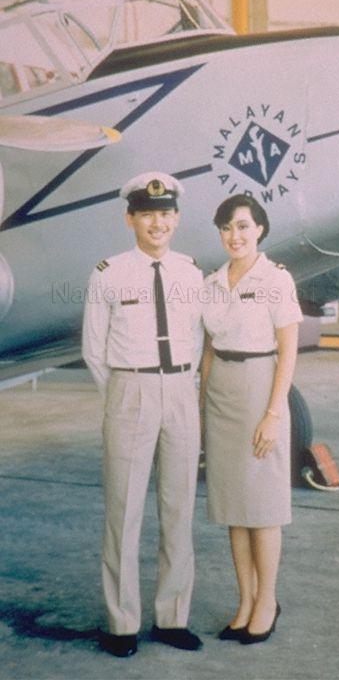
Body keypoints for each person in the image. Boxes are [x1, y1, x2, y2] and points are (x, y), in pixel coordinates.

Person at [82, 172, 203, 658]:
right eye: (147, 214)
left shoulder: (192, 272)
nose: (158, 222)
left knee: (178, 510)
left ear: (176, 218)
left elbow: (197, 337)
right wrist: (126, 393)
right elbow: (93, 349)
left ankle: (172, 618)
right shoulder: (108, 273)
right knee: (124, 511)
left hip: (180, 391)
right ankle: (121, 622)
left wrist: (182, 385)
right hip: (128, 388)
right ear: (130, 218)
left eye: (166, 213)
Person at [200, 194, 303, 645]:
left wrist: (273, 413)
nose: (234, 236)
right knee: (233, 510)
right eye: (226, 228)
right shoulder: (212, 281)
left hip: (261, 388)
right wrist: (203, 408)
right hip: (221, 391)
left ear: (259, 228)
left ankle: (268, 600)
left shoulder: (276, 278)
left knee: (263, 508)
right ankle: (244, 600)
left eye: (242, 226)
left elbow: (289, 349)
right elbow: (206, 349)